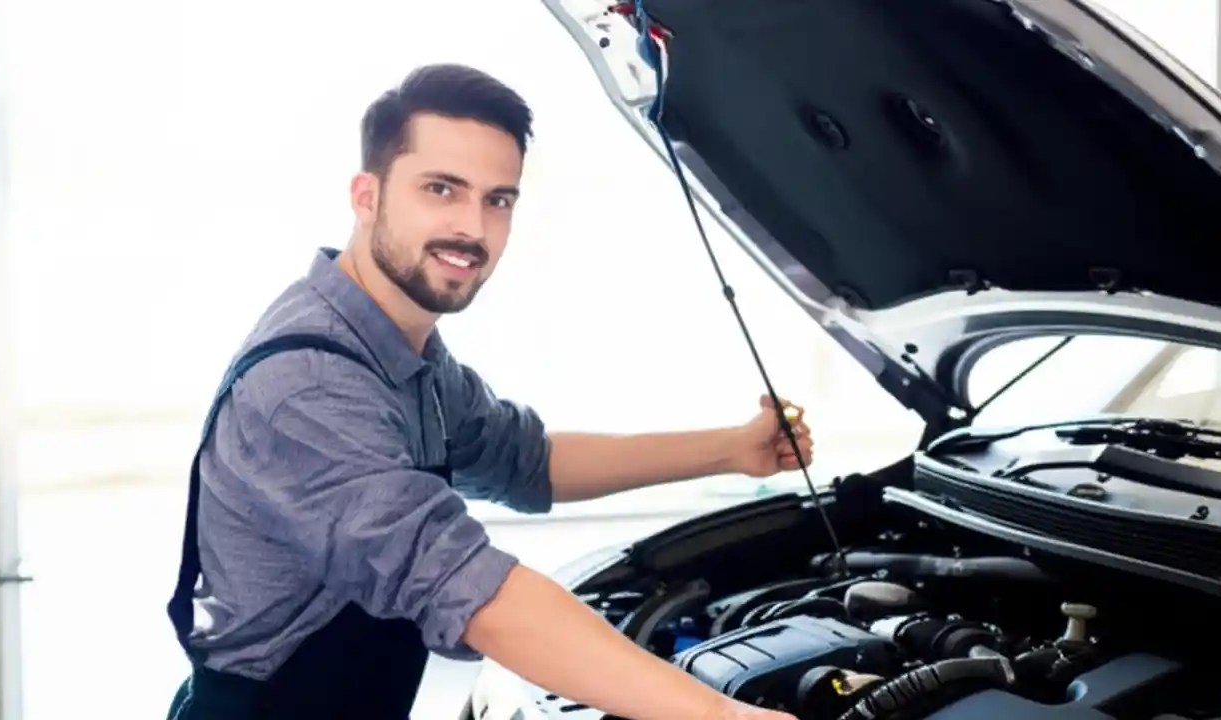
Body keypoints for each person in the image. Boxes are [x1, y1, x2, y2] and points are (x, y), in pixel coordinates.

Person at [164, 63, 813, 720]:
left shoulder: (396, 349)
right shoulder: (307, 389)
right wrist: (722, 716)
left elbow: (529, 461)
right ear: (367, 195)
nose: (473, 228)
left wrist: (734, 450)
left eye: (497, 199)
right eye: (441, 189)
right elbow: (464, 586)